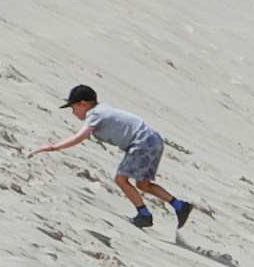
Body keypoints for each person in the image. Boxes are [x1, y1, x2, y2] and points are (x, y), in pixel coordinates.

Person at [33, 84, 200, 233]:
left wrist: (54, 147)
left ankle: (144, 215)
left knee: (121, 179)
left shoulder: (96, 114)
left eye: (74, 107)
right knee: (143, 184)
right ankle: (180, 206)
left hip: (141, 142)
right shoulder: (103, 109)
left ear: (84, 104)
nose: (73, 112)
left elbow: (80, 136)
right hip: (152, 140)